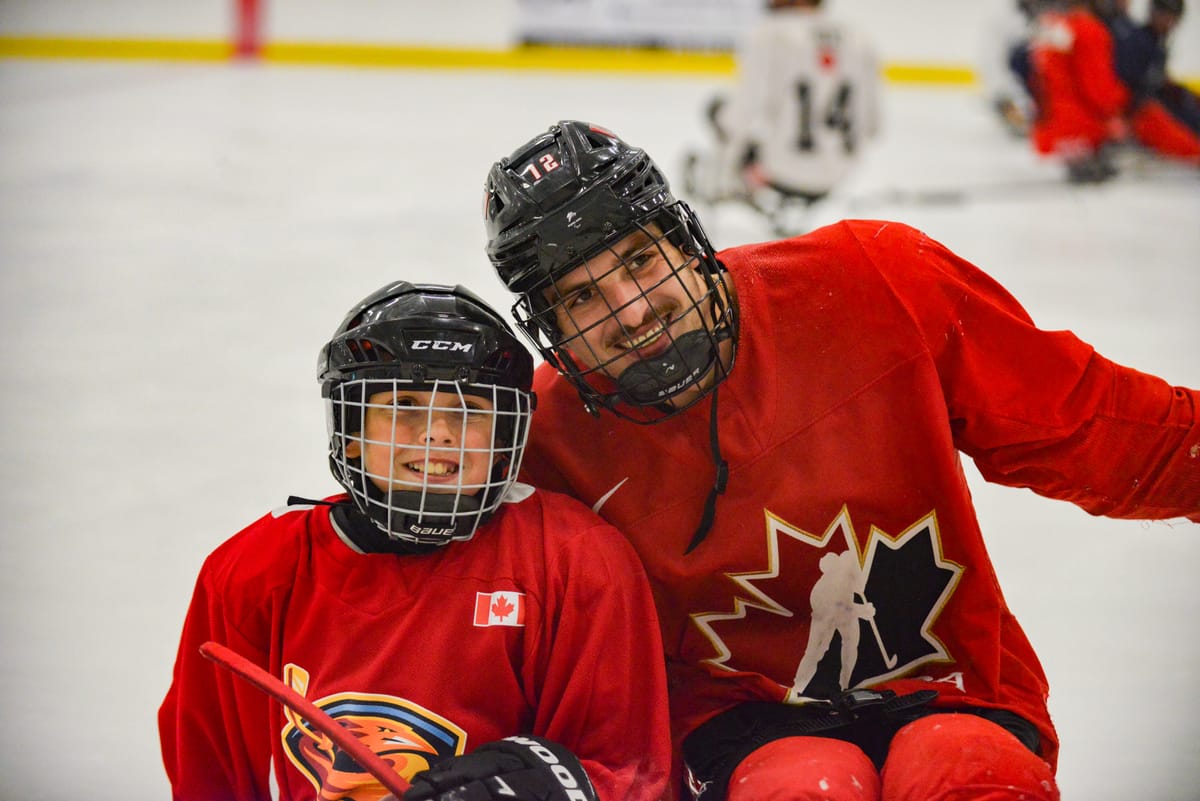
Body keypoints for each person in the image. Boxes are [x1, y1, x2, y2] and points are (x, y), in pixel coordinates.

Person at [480, 120, 1200, 801]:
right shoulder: (548, 441)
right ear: (549, 330)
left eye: (640, 259)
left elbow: (1095, 425)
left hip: (957, 684)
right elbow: (468, 609)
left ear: (684, 238)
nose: (633, 311)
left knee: (967, 770)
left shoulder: (873, 282)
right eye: (582, 299)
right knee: (800, 783)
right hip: (737, 727)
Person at [158, 281, 671, 801]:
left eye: (469, 408)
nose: (438, 433)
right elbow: (208, 777)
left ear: (504, 438)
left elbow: (626, 773)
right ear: (351, 431)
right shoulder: (254, 570)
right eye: (404, 403)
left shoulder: (575, 560)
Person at [680, 0, 880, 233]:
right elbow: (874, 125)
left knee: (720, 113)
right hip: (842, 173)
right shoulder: (859, 37)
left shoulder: (771, 33)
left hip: (781, 172)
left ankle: (720, 186)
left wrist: (720, 124)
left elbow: (742, 114)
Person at [1028, 0, 1199, 182]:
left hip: (1049, 130)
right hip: (1076, 131)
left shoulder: (1058, 26)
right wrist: (1127, 104)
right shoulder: (1090, 30)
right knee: (1147, 116)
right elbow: (1102, 94)